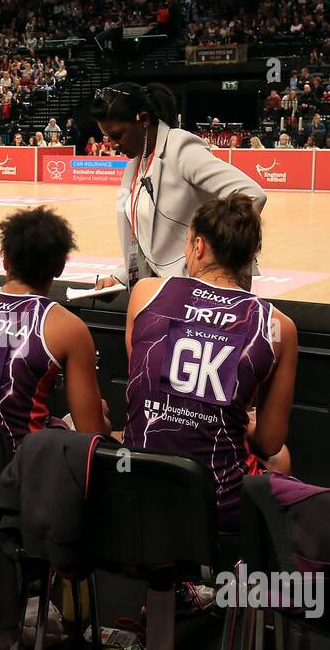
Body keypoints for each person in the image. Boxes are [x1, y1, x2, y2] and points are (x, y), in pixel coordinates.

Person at [124, 192, 296, 535]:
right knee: (283, 458)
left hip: (135, 492)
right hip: (217, 509)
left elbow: (147, 385)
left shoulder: (145, 293)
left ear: (198, 247)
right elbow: (269, 443)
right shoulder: (279, 327)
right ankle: (234, 573)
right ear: (249, 257)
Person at [0, 207, 108, 448]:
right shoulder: (67, 327)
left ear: (5, 260)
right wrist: (104, 420)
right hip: (19, 467)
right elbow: (90, 433)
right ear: (60, 267)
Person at [91, 82, 267, 291]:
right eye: (108, 137)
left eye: (117, 135)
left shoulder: (180, 149)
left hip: (207, 288)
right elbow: (148, 241)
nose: (111, 144)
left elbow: (252, 194)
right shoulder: (134, 167)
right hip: (169, 289)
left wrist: (211, 258)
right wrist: (121, 277)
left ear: (144, 120)